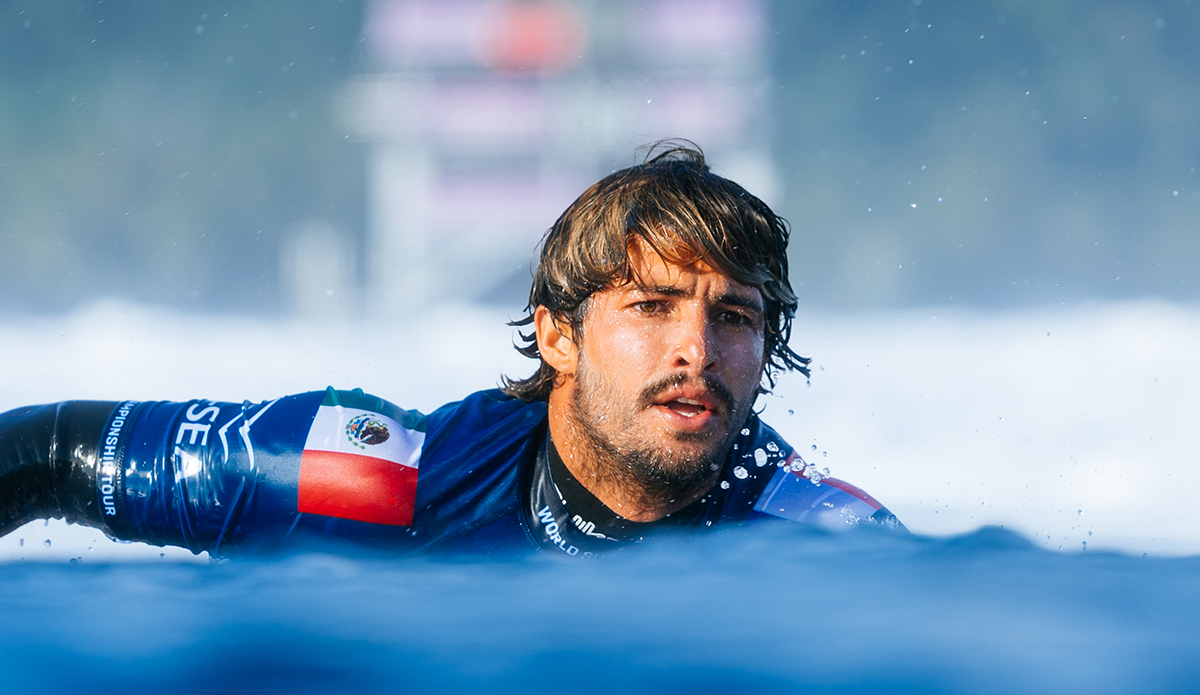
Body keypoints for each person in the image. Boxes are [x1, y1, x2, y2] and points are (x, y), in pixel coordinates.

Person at [0, 144, 900, 558]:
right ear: (558, 334)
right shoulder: (391, 480)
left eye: (734, 317)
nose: (697, 348)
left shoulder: (826, 547)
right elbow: (48, 451)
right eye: (651, 306)